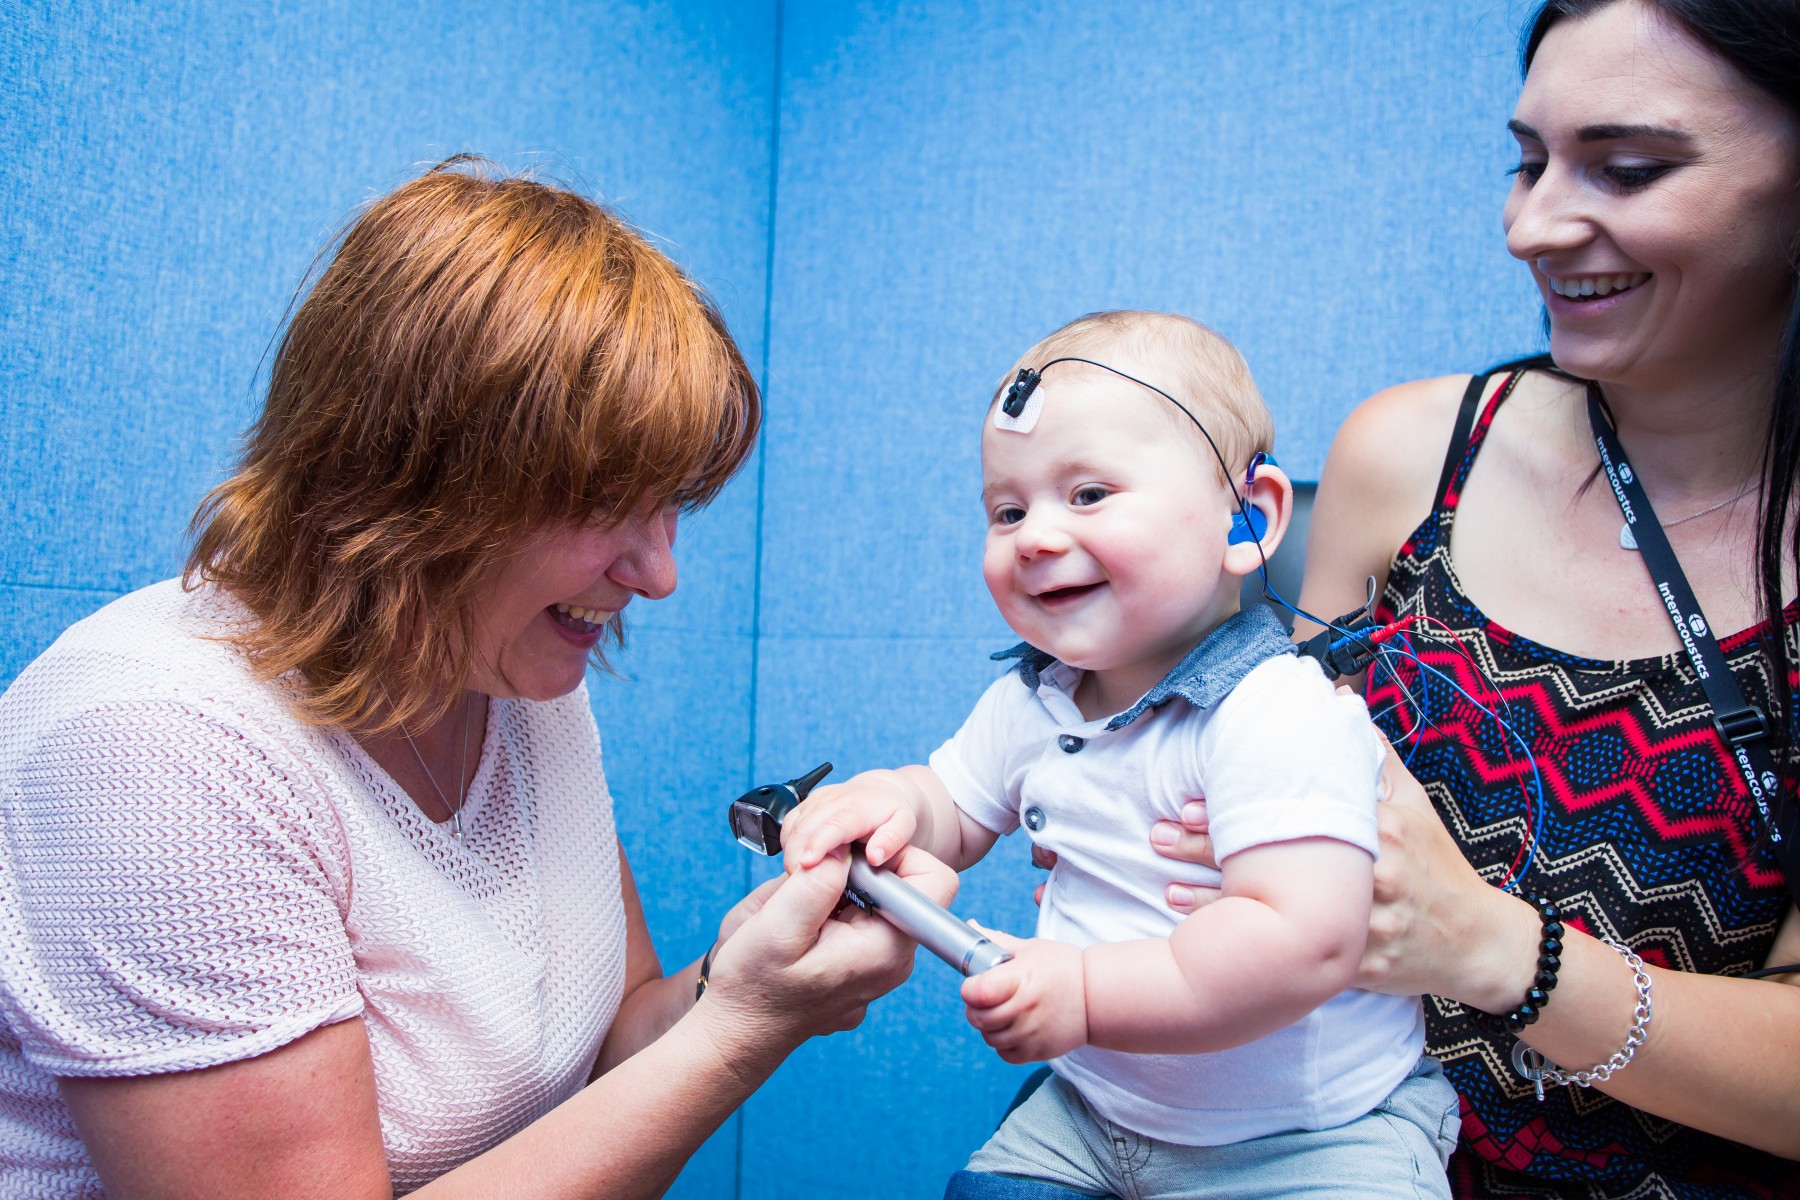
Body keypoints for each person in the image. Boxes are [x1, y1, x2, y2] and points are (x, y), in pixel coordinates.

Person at [0, 158, 953, 1199]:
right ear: (413, 477)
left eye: (672, 502)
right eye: (604, 502)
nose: (661, 575)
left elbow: (605, 1063)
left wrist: (748, 974)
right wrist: (741, 1030)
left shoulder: (507, 673)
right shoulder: (151, 745)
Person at [1142, 2, 1800, 1195]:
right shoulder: (1405, 457)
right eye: (1528, 160)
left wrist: (1503, 953)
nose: (1533, 224)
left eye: (1629, 166)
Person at [782, 311, 1461, 1199]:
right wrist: (894, 804)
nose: (1035, 536)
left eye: (1090, 495)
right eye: (1007, 510)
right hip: (1097, 1111)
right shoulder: (1034, 702)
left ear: (1243, 520)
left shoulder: (1275, 714)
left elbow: (1303, 942)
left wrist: (1087, 996)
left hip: (1313, 1136)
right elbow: (953, 801)